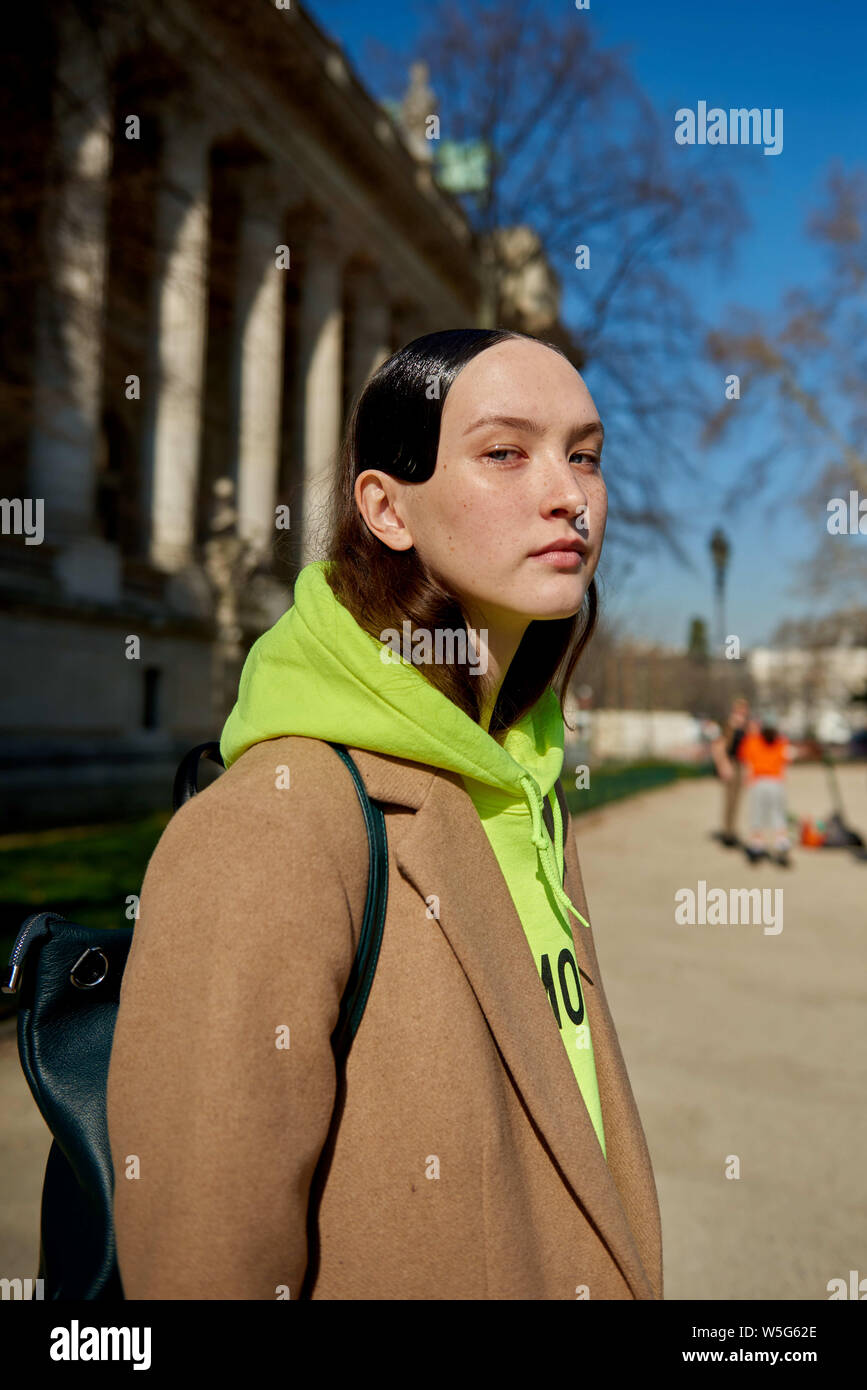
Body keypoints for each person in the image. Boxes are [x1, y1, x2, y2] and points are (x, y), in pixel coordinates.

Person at [107, 328, 663, 1300]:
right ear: (386, 507)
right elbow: (200, 1270)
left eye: (585, 454)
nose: (570, 493)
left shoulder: (526, 785)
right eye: (505, 451)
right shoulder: (279, 823)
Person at [737, 709, 792, 866]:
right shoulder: (781, 741)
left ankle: (757, 846)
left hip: (758, 781)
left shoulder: (752, 741)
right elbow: (784, 764)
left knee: (757, 814)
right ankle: (781, 842)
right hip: (775, 781)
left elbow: (747, 763)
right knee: (778, 814)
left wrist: (747, 780)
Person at [711, 696, 751, 846]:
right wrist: (723, 765)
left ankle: (732, 830)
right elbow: (719, 746)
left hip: (741, 764)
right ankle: (727, 832)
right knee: (729, 800)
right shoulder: (729, 725)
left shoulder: (745, 727)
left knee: (737, 800)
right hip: (731, 763)